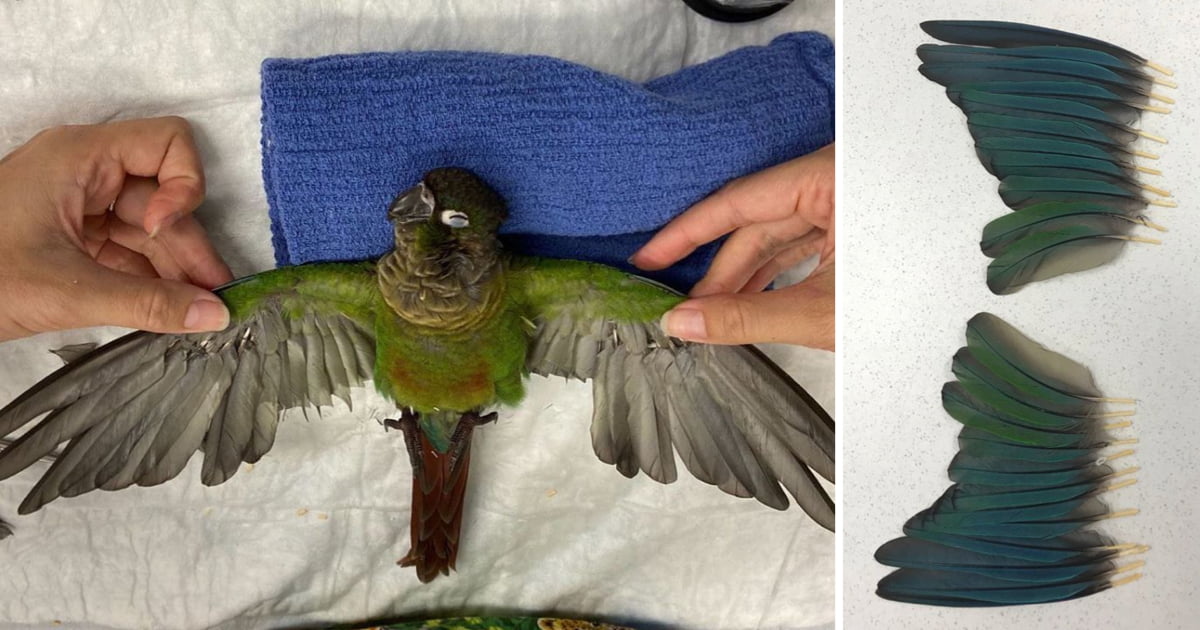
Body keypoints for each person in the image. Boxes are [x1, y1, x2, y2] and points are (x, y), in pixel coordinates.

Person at [0, 117, 833, 350]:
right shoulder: (343, 281)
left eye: (449, 216)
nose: (420, 212)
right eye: (424, 203)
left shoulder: (547, 280)